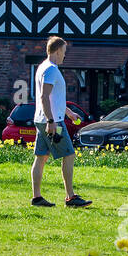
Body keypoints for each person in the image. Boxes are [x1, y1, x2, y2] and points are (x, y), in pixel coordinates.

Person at [30, 35, 90, 208]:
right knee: (69, 155)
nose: (65, 55)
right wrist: (51, 121)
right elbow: (43, 96)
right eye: (64, 51)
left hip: (42, 119)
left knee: (41, 157)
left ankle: (37, 198)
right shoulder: (52, 70)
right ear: (57, 51)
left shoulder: (43, 67)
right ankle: (71, 197)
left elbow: (52, 98)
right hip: (52, 121)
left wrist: (69, 112)